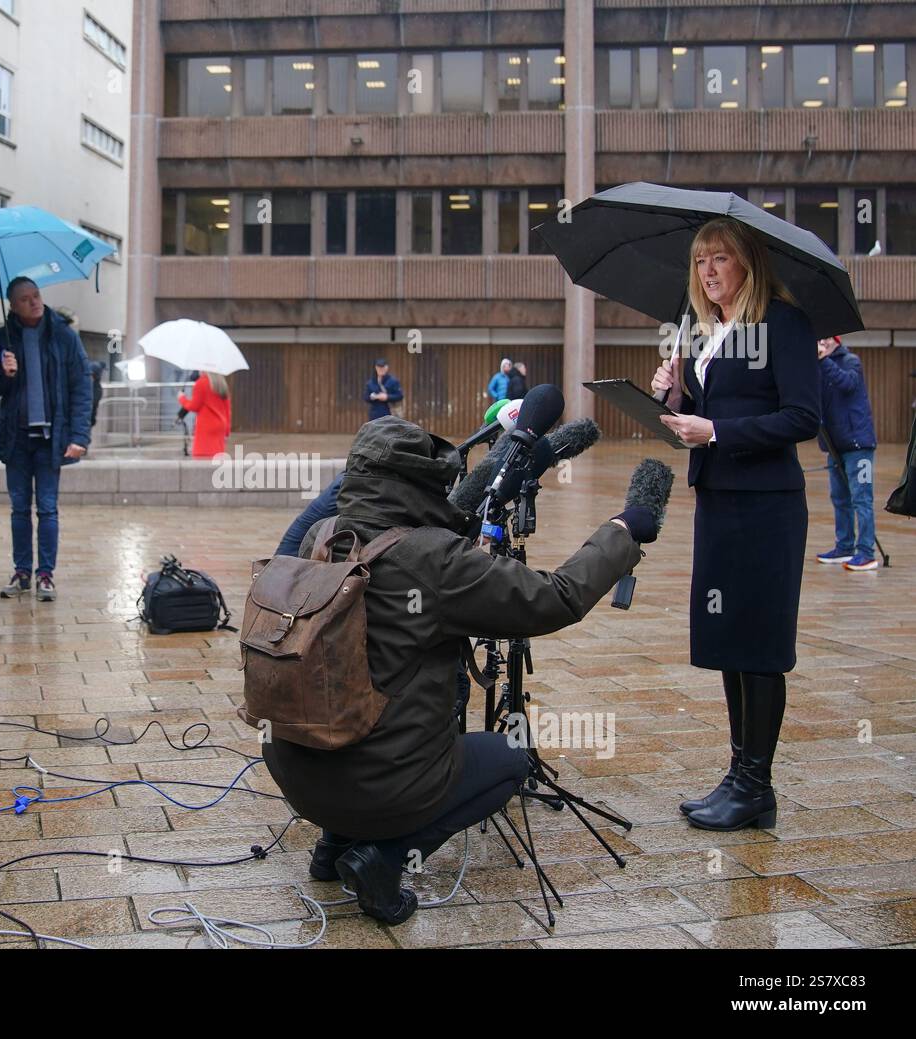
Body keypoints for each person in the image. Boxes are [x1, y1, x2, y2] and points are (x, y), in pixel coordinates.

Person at [263, 417, 654, 924]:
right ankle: (383, 858)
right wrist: (620, 534)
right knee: (512, 757)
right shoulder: (432, 556)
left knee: (361, 710)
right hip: (380, 786)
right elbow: (554, 598)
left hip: (296, 771)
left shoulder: (322, 533)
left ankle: (331, 846)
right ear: (425, 480)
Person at [652, 216, 820, 833]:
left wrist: (718, 431)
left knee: (760, 645)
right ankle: (739, 774)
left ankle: (757, 786)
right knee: (728, 643)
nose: (708, 272)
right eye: (700, 263)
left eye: (720, 259)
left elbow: (804, 416)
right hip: (718, 500)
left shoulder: (784, 322)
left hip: (768, 506)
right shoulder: (702, 333)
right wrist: (673, 396)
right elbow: (697, 416)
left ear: (747, 263)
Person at [0, 278, 93, 603]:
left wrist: (79, 436)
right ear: (12, 305)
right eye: (24, 299)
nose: (34, 303)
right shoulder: (0, 338)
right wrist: (3, 374)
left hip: (52, 437)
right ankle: (21, 571)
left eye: (36, 296)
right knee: (19, 508)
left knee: (47, 509)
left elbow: (81, 386)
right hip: (17, 438)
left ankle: (45, 574)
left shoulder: (63, 336)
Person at [814, 336, 878, 572]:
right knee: (840, 499)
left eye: (827, 339)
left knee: (862, 499)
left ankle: (866, 552)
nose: (823, 343)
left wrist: (822, 361)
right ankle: (844, 546)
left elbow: (847, 383)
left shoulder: (851, 361)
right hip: (834, 446)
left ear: (836, 342)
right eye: (820, 340)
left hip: (858, 445)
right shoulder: (819, 367)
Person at [179, 371, 232, 459]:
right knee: (217, 457)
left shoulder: (201, 383)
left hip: (206, 426)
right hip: (220, 426)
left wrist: (182, 398)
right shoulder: (222, 384)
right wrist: (227, 432)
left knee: (202, 457)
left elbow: (194, 406)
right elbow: (228, 410)